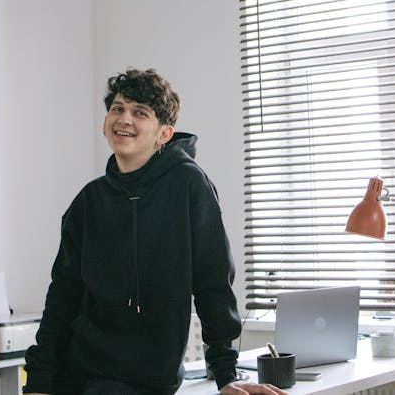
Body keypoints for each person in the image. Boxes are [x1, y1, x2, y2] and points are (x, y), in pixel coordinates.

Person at [24, 69, 284, 395]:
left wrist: (226, 376)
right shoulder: (89, 201)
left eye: (140, 112)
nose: (124, 119)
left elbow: (213, 283)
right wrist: (38, 382)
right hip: (77, 374)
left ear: (164, 133)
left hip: (147, 381)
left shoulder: (189, 185)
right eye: (117, 109)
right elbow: (62, 297)